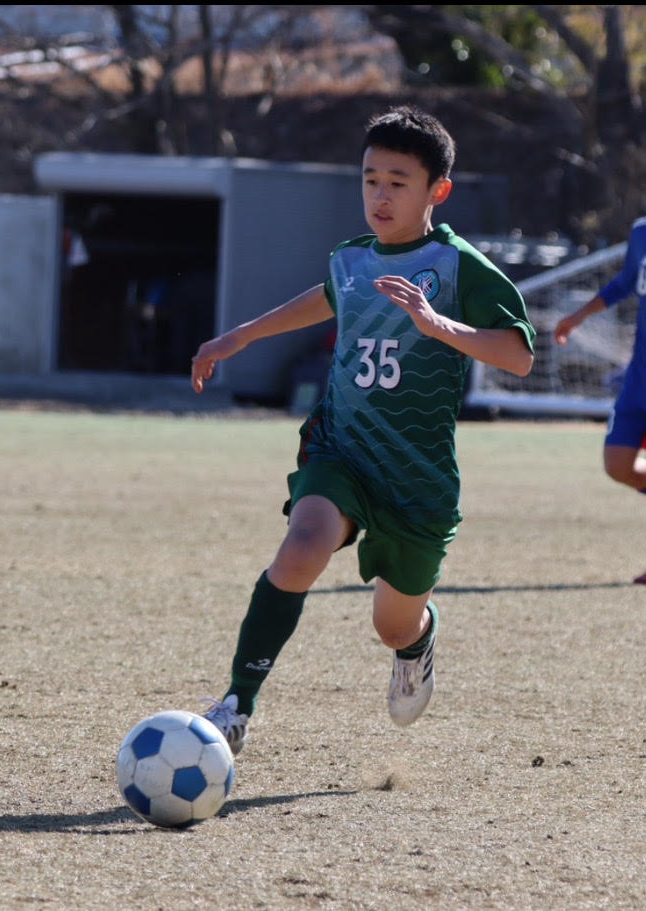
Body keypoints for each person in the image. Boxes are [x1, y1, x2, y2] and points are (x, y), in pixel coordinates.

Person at [191, 106, 536, 755]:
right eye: (370, 178)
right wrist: (239, 334)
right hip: (341, 447)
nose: (379, 194)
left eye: (397, 181)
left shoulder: (460, 266)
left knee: (391, 622)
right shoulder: (350, 260)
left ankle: (416, 641)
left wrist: (440, 326)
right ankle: (236, 703)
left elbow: (518, 355)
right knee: (302, 546)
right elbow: (327, 296)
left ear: (437, 190)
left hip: (417, 477)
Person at [553, 216, 646, 584]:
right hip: (638, 379)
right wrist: (577, 318)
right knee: (617, 463)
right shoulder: (640, 231)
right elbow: (624, 283)